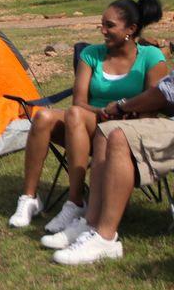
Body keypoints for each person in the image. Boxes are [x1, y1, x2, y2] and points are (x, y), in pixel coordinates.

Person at [9, 0, 166, 230]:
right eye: (101, 24)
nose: (102, 30)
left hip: (128, 129)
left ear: (130, 29)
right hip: (90, 121)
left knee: (73, 115)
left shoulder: (151, 58)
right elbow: (80, 101)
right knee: (43, 117)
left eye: (110, 25)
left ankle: (75, 202)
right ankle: (29, 199)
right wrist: (102, 111)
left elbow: (154, 105)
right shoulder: (91, 54)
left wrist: (122, 113)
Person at [43, 70, 174, 264]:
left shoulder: (148, 55)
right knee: (107, 131)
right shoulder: (92, 55)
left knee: (120, 137)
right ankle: (92, 222)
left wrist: (122, 107)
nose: (103, 36)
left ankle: (106, 238)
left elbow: (164, 93)